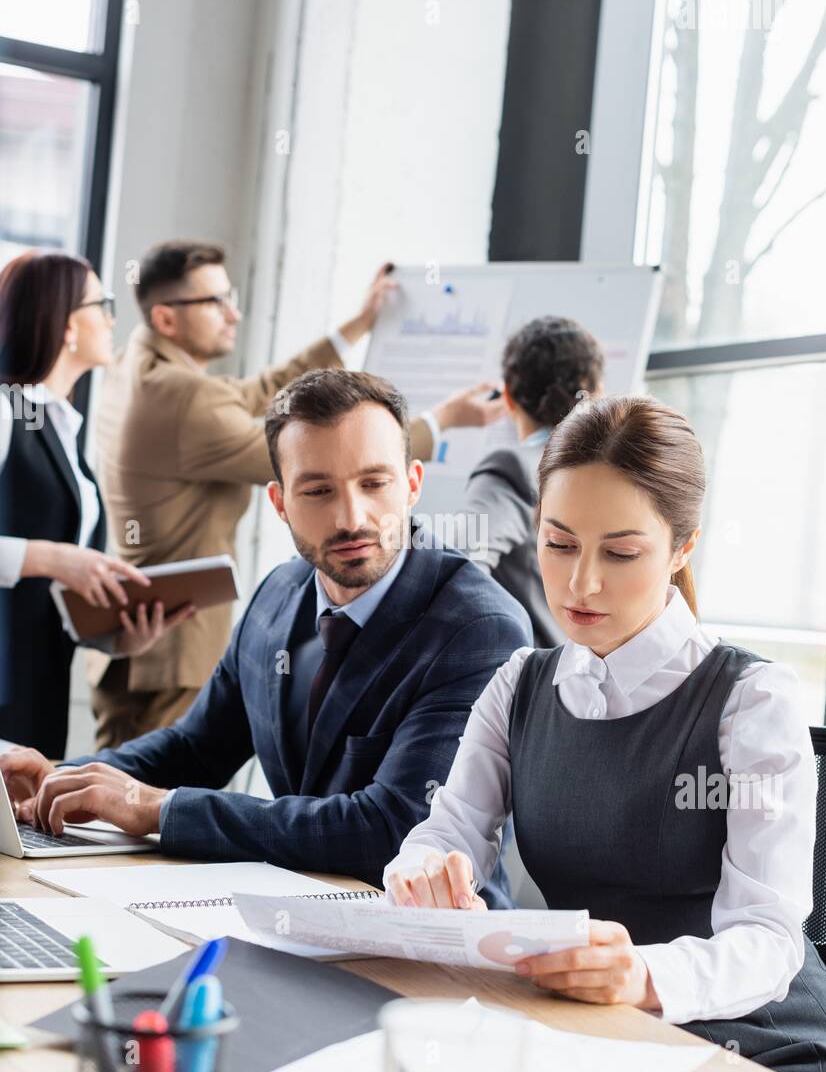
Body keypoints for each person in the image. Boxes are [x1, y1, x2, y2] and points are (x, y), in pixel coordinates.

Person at [383, 395, 826, 1072]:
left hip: (770, 1055)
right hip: (605, 1041)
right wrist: (422, 868)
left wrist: (638, 977)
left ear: (680, 549)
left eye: (620, 552)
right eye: (558, 542)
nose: (580, 582)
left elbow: (767, 940)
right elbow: (447, 830)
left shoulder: (751, 701)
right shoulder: (519, 684)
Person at [3, 370, 531, 905]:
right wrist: (65, 778)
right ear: (279, 503)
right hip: (295, 918)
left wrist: (160, 809)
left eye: (374, 483)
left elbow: (392, 829)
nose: (352, 518)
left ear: (413, 483)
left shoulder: (479, 629)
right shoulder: (277, 594)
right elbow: (195, 747)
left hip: (432, 948)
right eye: (319, 490)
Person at [90, 243, 506, 747]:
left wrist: (356, 325)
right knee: (125, 801)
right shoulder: (180, 398)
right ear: (167, 317)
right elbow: (314, 460)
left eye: (232, 295)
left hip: (136, 624)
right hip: (172, 636)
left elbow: (265, 391)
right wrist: (442, 423)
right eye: (215, 301)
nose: (234, 312)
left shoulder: (137, 365)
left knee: (107, 786)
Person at [0, 251, 193, 758]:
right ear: (65, 321)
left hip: (37, 691)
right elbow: (42, 565)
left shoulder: (63, 431)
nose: (112, 318)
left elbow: (48, 600)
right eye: (101, 303)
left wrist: (115, 638)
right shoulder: (4, 412)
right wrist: (52, 557)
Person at [457, 316, 604, 645]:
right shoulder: (610, 470)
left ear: (507, 397)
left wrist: (512, 655)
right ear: (596, 394)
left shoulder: (514, 468)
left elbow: (455, 570)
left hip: (537, 680)